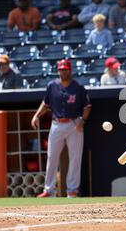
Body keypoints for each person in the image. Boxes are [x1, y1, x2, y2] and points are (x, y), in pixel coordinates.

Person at [31, 59, 92, 198]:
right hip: (56, 123)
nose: (63, 72)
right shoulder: (52, 86)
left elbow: (87, 106)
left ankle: (72, 190)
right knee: (52, 156)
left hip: (73, 123)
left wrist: (82, 120)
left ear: (70, 70)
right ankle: (49, 190)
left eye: (65, 69)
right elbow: (45, 104)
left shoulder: (78, 87)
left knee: (75, 158)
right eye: (61, 69)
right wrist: (36, 116)